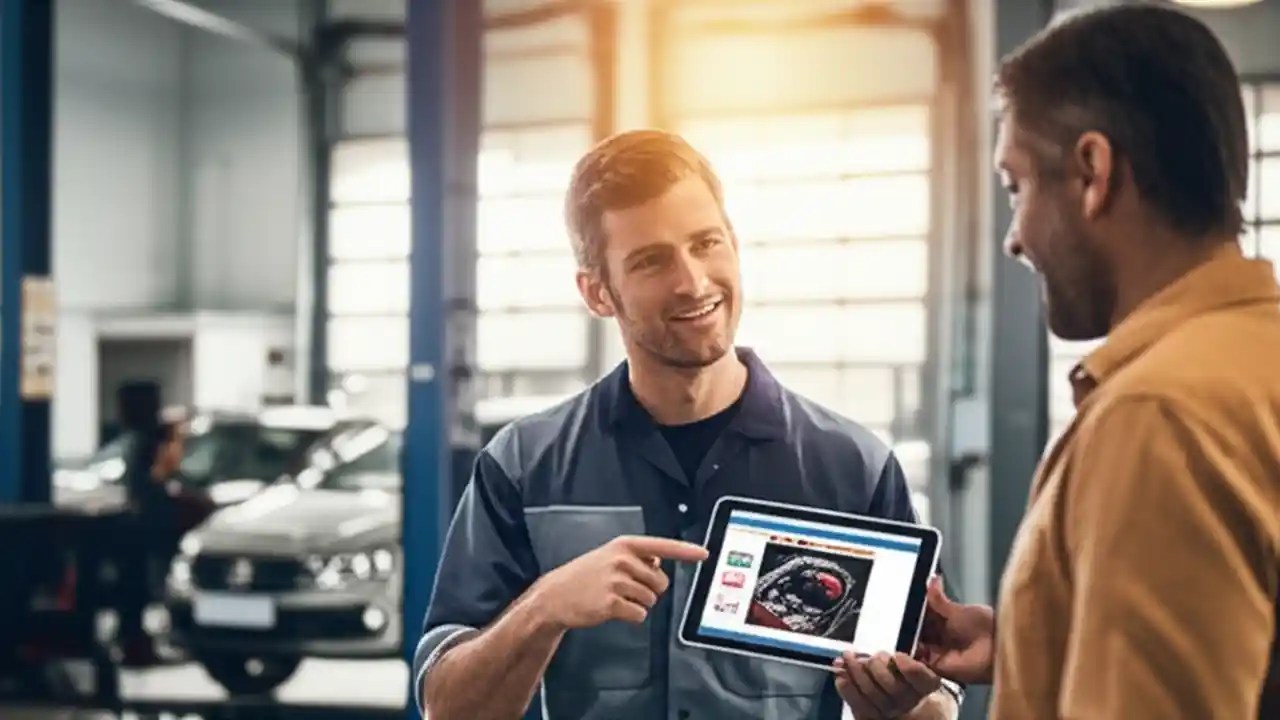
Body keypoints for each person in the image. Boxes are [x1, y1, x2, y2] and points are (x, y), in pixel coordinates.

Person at [414, 130, 962, 719]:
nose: (693, 282)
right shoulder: (524, 466)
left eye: (706, 243)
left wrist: (903, 707)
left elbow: (940, 692)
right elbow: (448, 708)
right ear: (597, 292)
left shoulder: (852, 467)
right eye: (651, 261)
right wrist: (546, 606)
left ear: (735, 244)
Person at [915, 6, 1280, 719]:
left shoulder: (1159, 415)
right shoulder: (1252, 359)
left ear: (1092, 172)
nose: (1014, 239)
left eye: (1016, 187)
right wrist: (1033, 640)